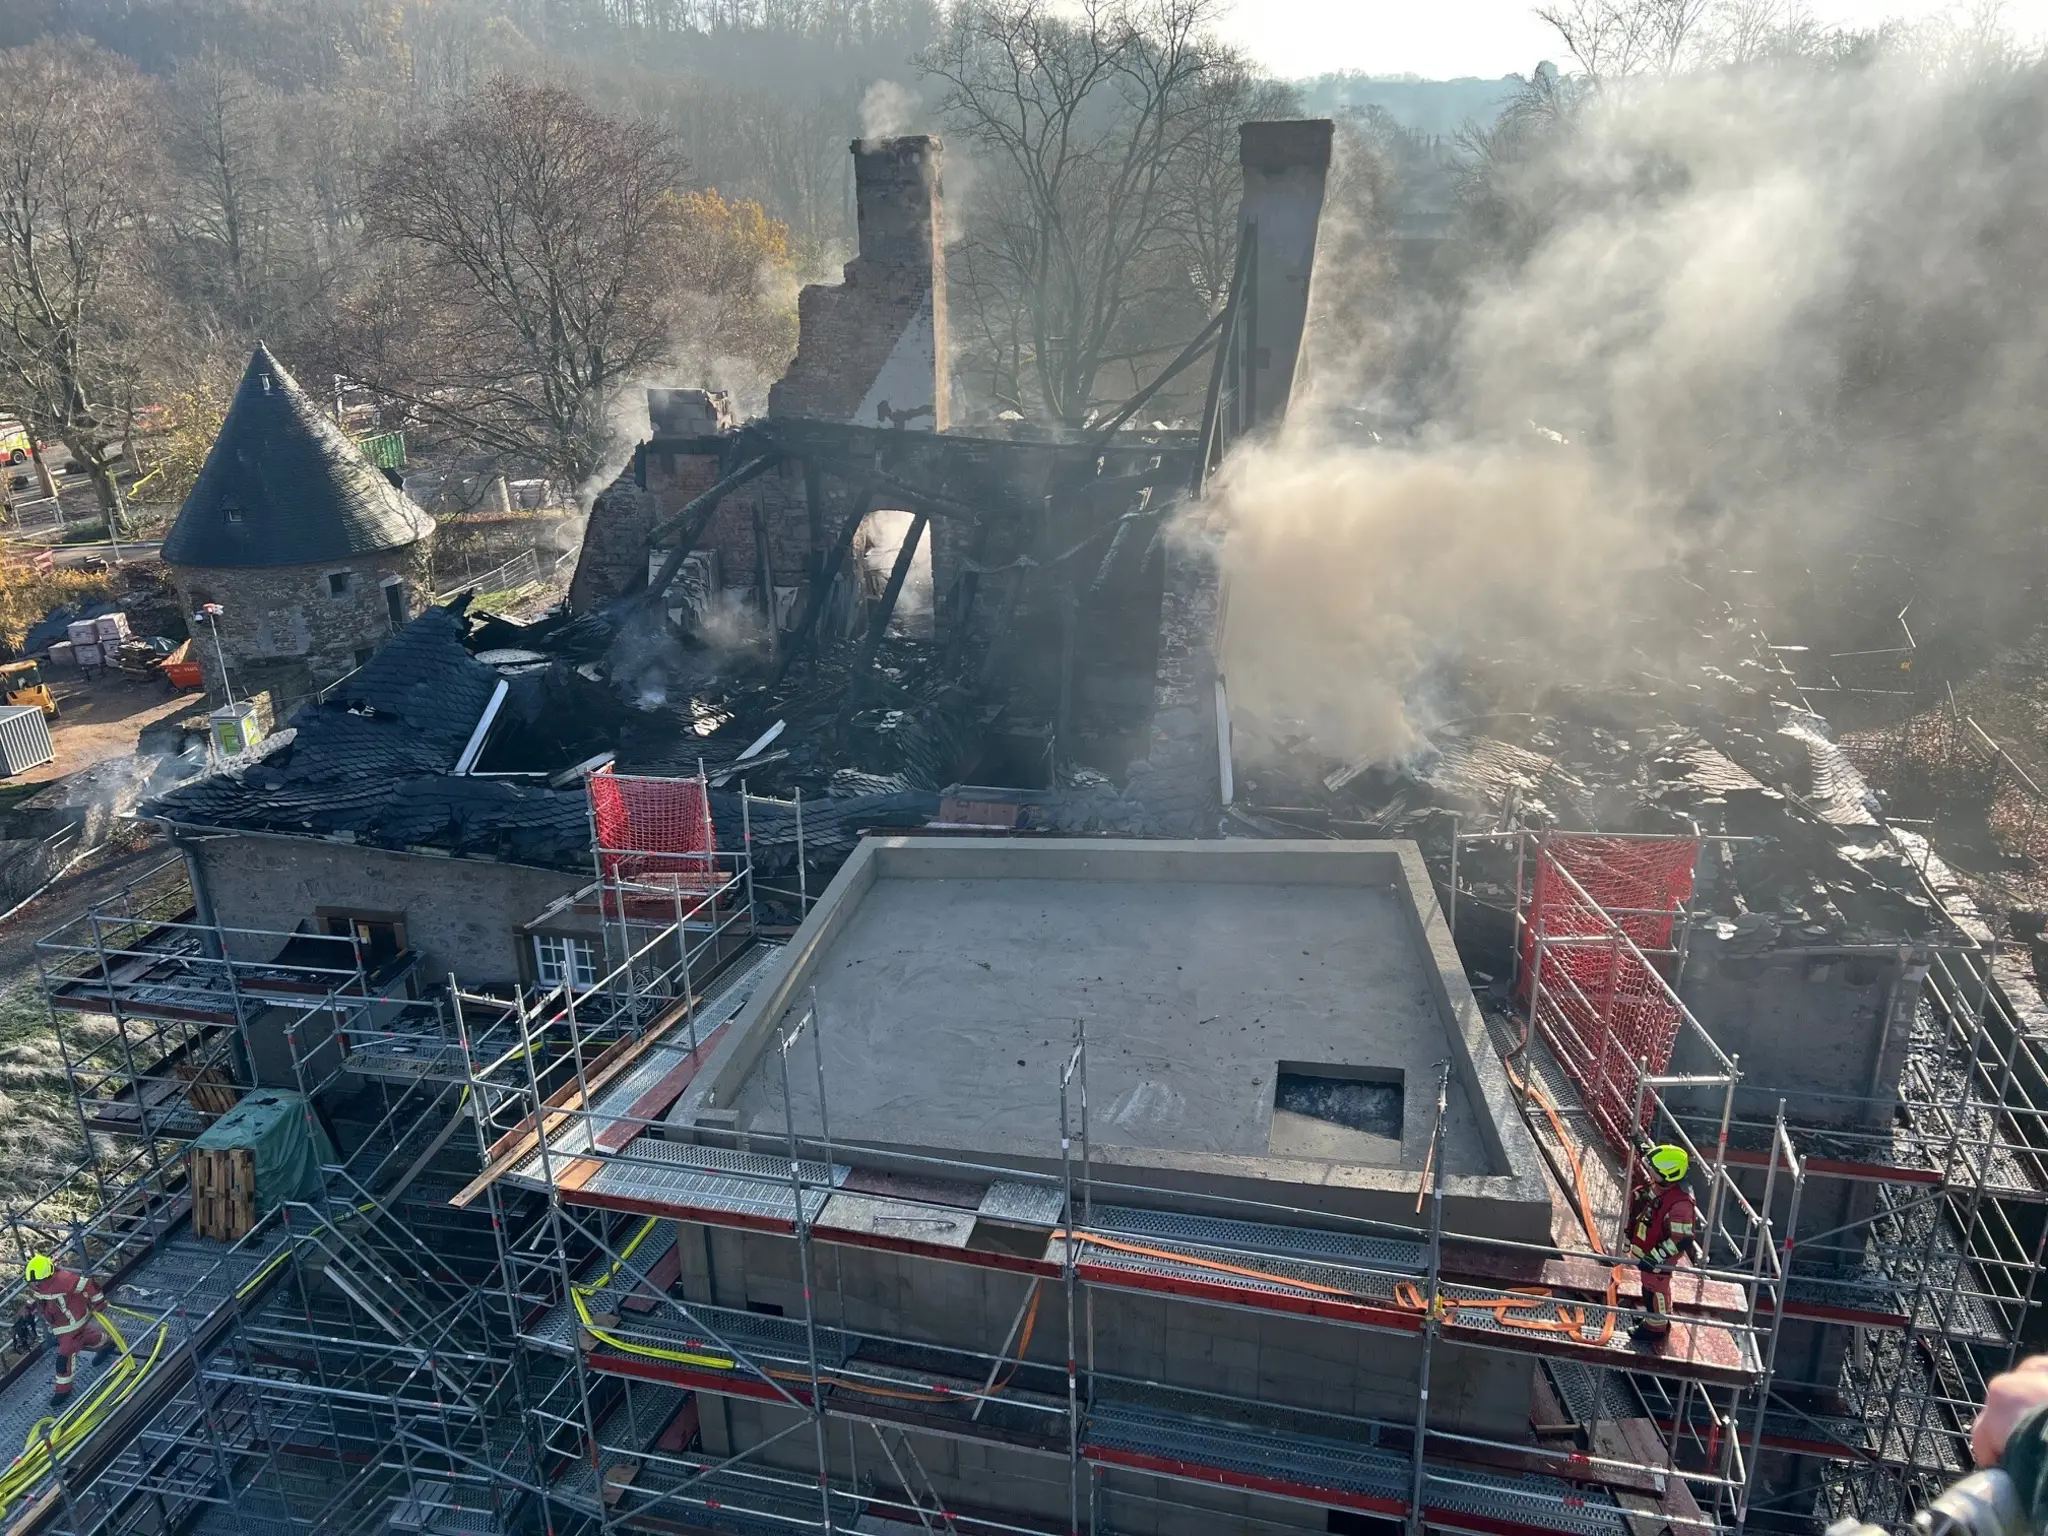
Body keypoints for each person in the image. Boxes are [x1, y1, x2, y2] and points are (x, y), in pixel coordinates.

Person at [1625, 1142, 1700, 1347]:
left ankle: (1655, 1328)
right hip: (1652, 1251)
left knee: (1654, 1290)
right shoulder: (1665, 1189)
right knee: (1653, 1287)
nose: (1651, 1173)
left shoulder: (1681, 1205)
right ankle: (1656, 1318)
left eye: (1654, 1171)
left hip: (1659, 1257)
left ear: (1669, 1174)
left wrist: (1655, 1256)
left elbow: (1682, 1239)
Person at [18, 1255, 116, 1408]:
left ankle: (63, 1390)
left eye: (38, 1281)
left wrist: (99, 1302)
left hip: (72, 1323)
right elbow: (43, 1299)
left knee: (64, 1359)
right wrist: (30, 1308)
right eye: (33, 1282)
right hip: (63, 1325)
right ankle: (107, 1344)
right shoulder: (41, 1284)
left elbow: (89, 1284)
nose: (35, 1284)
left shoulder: (65, 1280)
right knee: (86, 1337)